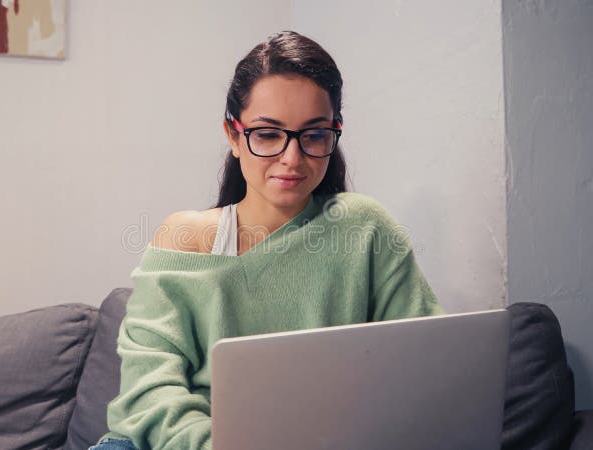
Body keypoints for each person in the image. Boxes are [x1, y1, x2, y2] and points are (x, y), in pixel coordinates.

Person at [90, 30, 444, 450]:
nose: (291, 159)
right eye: (267, 134)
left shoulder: (365, 228)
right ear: (233, 136)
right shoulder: (187, 238)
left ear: (334, 133)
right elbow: (147, 392)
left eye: (313, 135)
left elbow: (427, 366)